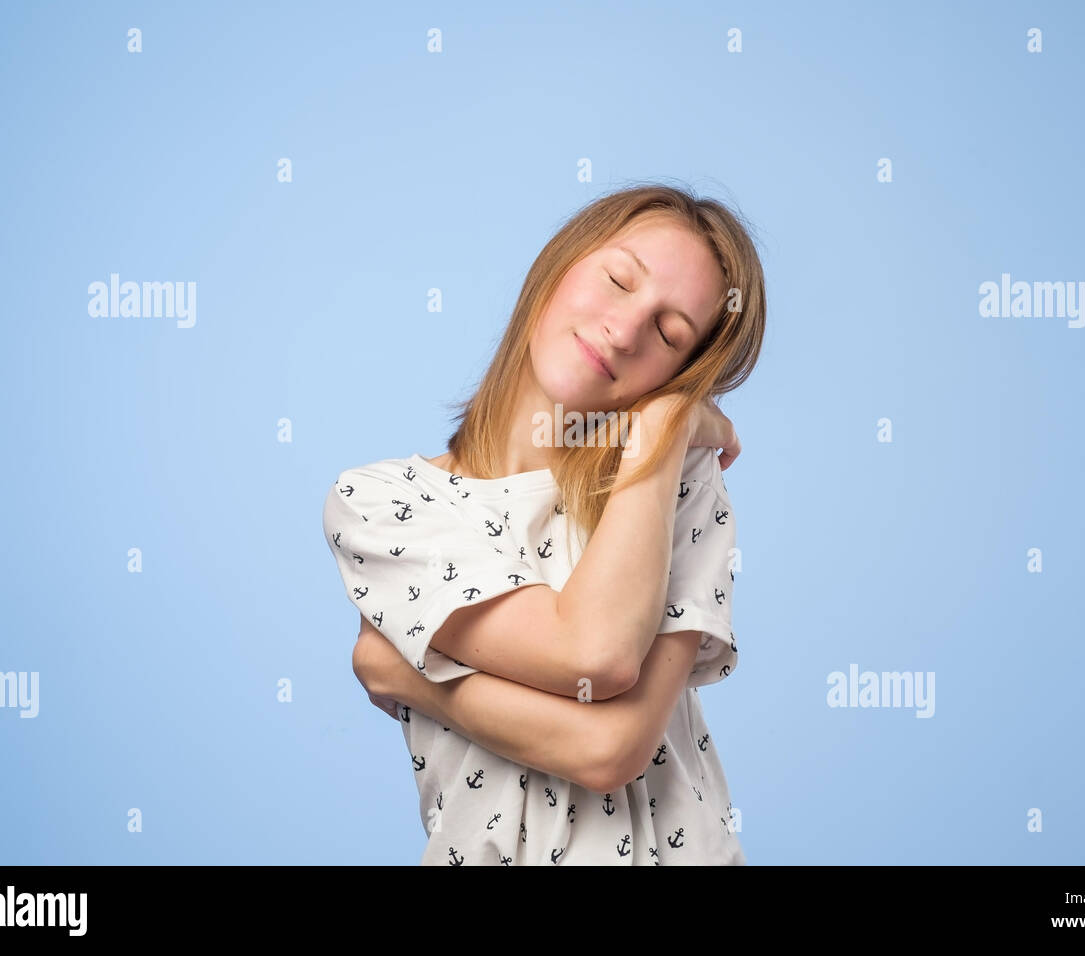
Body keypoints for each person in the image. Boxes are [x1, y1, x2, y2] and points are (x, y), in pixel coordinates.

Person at [322, 183, 766, 864]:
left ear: (682, 371)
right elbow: (589, 666)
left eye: (669, 333)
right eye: (618, 280)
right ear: (557, 266)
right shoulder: (383, 504)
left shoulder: (677, 479)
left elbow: (609, 736)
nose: (624, 330)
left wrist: (417, 679)